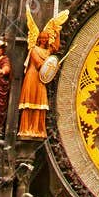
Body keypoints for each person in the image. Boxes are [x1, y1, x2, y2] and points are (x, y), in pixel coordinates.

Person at [17, 8, 69, 140]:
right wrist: (51, 66)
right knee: (31, 101)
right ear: (39, 38)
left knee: (41, 101)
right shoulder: (34, 50)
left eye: (46, 38)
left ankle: (38, 129)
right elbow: (40, 65)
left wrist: (57, 33)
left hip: (41, 78)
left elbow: (55, 48)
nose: (45, 40)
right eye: (43, 38)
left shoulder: (47, 51)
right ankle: (26, 128)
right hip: (33, 76)